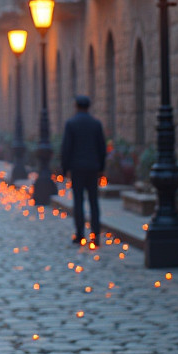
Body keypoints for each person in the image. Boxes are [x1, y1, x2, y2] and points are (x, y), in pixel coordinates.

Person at [60, 94, 107, 246]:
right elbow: (102, 147)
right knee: (94, 202)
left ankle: (80, 234)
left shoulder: (71, 124)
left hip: (77, 168)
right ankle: (96, 235)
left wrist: (65, 168)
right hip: (93, 168)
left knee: (78, 201)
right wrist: (101, 167)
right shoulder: (96, 124)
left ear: (76, 106)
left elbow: (66, 148)